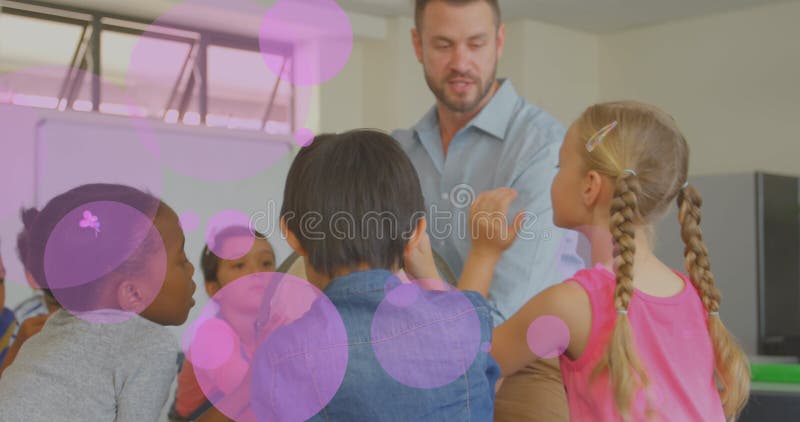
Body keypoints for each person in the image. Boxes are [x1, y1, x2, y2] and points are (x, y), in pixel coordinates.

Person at [483, 101, 750, 420]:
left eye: (559, 167)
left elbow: (466, 368)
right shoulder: (691, 294)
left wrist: (482, 255)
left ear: (590, 186)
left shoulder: (570, 305)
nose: (554, 178)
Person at [392, 1, 584, 419]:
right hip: (422, 356)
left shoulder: (542, 147)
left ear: (498, 42)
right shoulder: (401, 151)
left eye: (476, 43)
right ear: (417, 44)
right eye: (443, 44)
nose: (461, 62)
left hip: (522, 362)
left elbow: (511, 308)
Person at [262, 130, 502, 420]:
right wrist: (430, 278)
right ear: (416, 234)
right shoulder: (468, 321)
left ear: (291, 234)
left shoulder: (283, 355)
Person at [0, 183, 197, 421]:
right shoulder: (150, 344)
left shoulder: (51, 330)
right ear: (132, 294)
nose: (191, 269)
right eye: (181, 259)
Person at [169, 226, 276, 421]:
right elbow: (260, 395)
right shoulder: (211, 337)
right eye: (239, 265)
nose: (257, 272)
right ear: (214, 289)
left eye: (266, 263)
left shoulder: (274, 330)